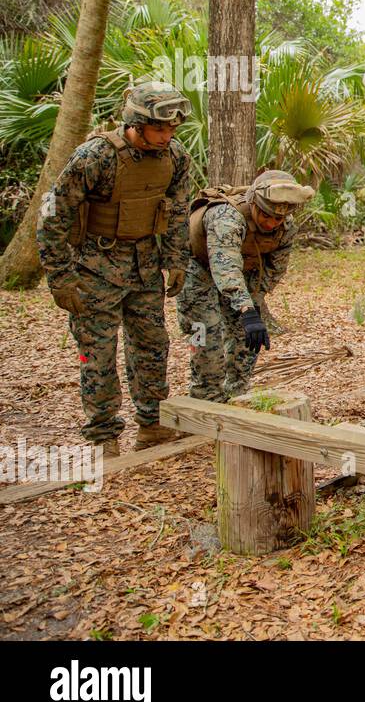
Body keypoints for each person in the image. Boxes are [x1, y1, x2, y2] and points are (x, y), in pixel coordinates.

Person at [36, 82, 193, 455]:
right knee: (97, 355)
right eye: (159, 128)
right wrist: (60, 276)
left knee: (152, 347)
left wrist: (174, 259)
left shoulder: (176, 156)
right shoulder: (95, 156)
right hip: (94, 271)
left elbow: (177, 209)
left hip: (144, 268)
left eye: (172, 129)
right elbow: (53, 215)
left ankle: (152, 424)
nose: (167, 135)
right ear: (136, 124)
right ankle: (103, 436)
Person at [178, 170, 314, 401]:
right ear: (254, 204)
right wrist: (246, 308)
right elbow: (226, 267)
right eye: (266, 216)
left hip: (241, 275)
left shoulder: (286, 228)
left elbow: (274, 269)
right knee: (205, 333)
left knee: (248, 335)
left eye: (278, 219)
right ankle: (205, 397)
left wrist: (254, 302)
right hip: (199, 271)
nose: (272, 223)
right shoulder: (226, 218)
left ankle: (237, 392)